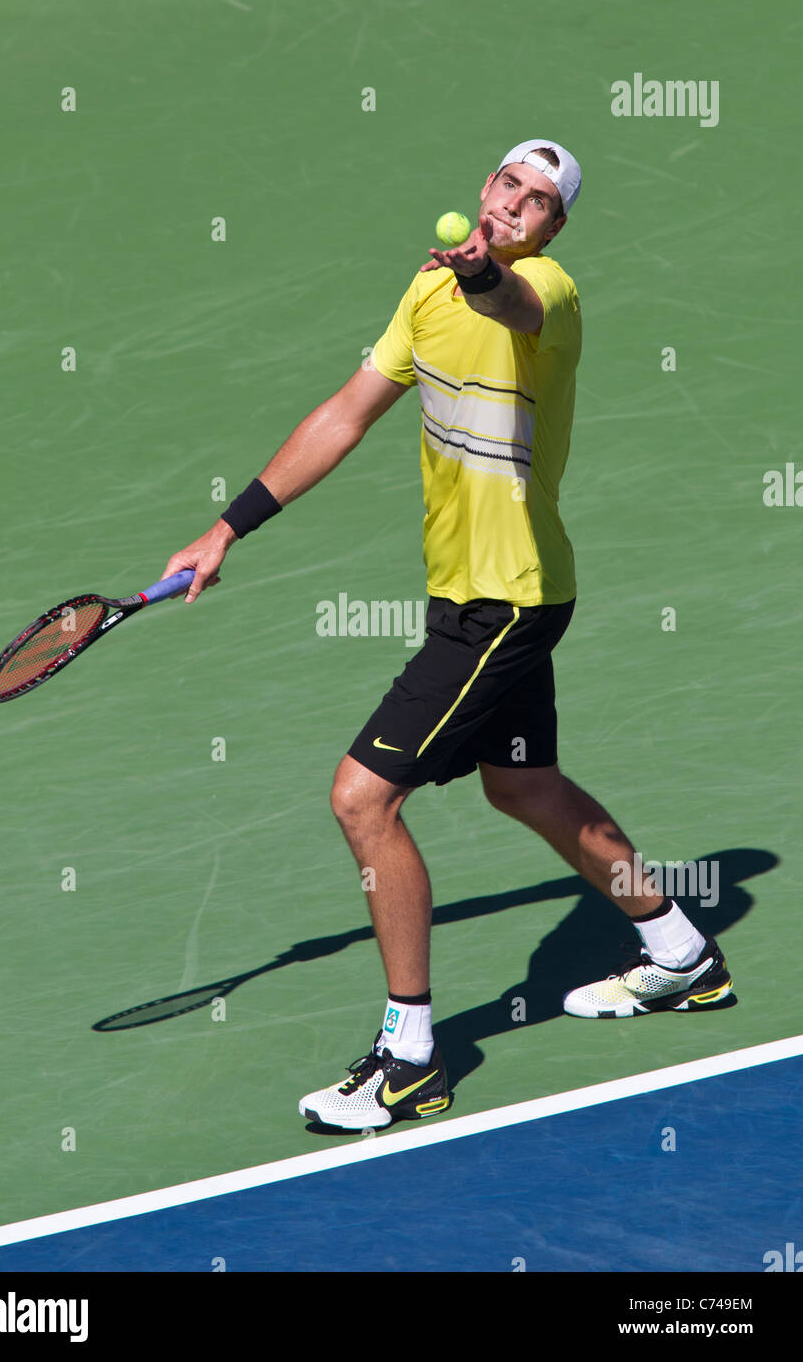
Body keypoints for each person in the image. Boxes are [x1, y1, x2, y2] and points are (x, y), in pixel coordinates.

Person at [161, 138, 733, 1132]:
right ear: (484, 189)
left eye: (539, 200)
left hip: (503, 602)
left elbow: (509, 305)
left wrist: (484, 273)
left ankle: (408, 1056)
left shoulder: (546, 296)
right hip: (474, 592)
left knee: (360, 797)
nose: (517, 203)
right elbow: (344, 414)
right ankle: (681, 954)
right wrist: (227, 527)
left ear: (553, 229)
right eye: (508, 183)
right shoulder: (423, 296)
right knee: (523, 785)